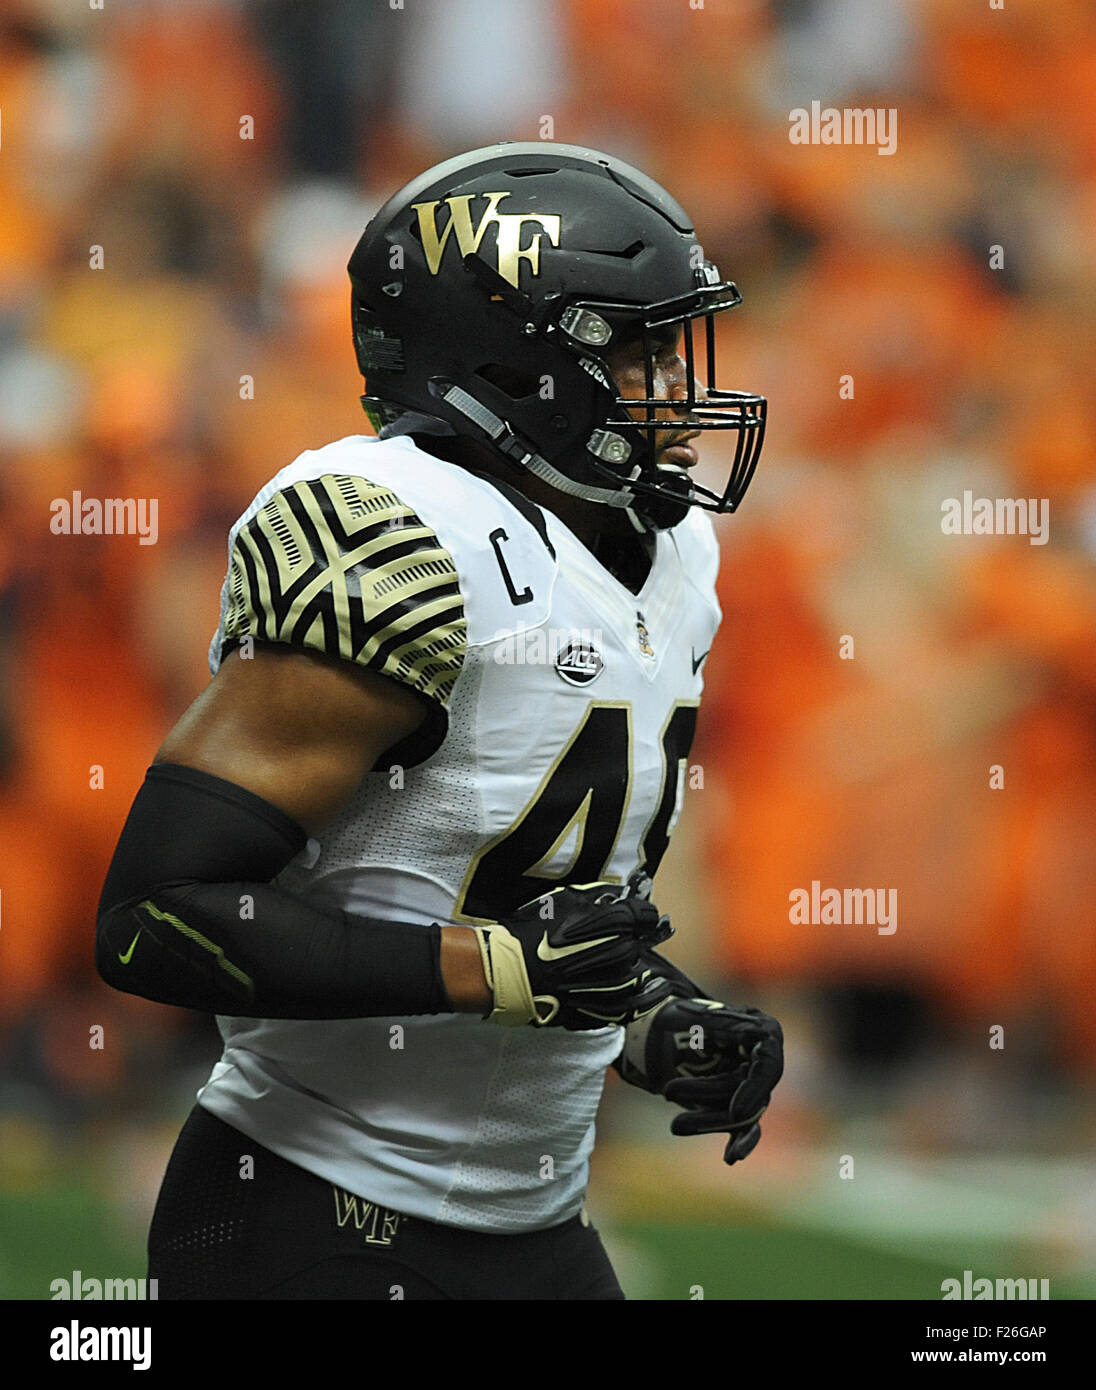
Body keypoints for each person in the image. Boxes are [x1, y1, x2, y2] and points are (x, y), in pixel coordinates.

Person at [95, 141, 784, 1300]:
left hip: (539, 1223)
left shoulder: (672, 554)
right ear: (514, 368)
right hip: (313, 1211)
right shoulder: (402, 536)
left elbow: (503, 886)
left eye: (675, 343)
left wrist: (656, 1016)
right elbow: (154, 916)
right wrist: (496, 970)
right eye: (633, 347)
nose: (674, 384)